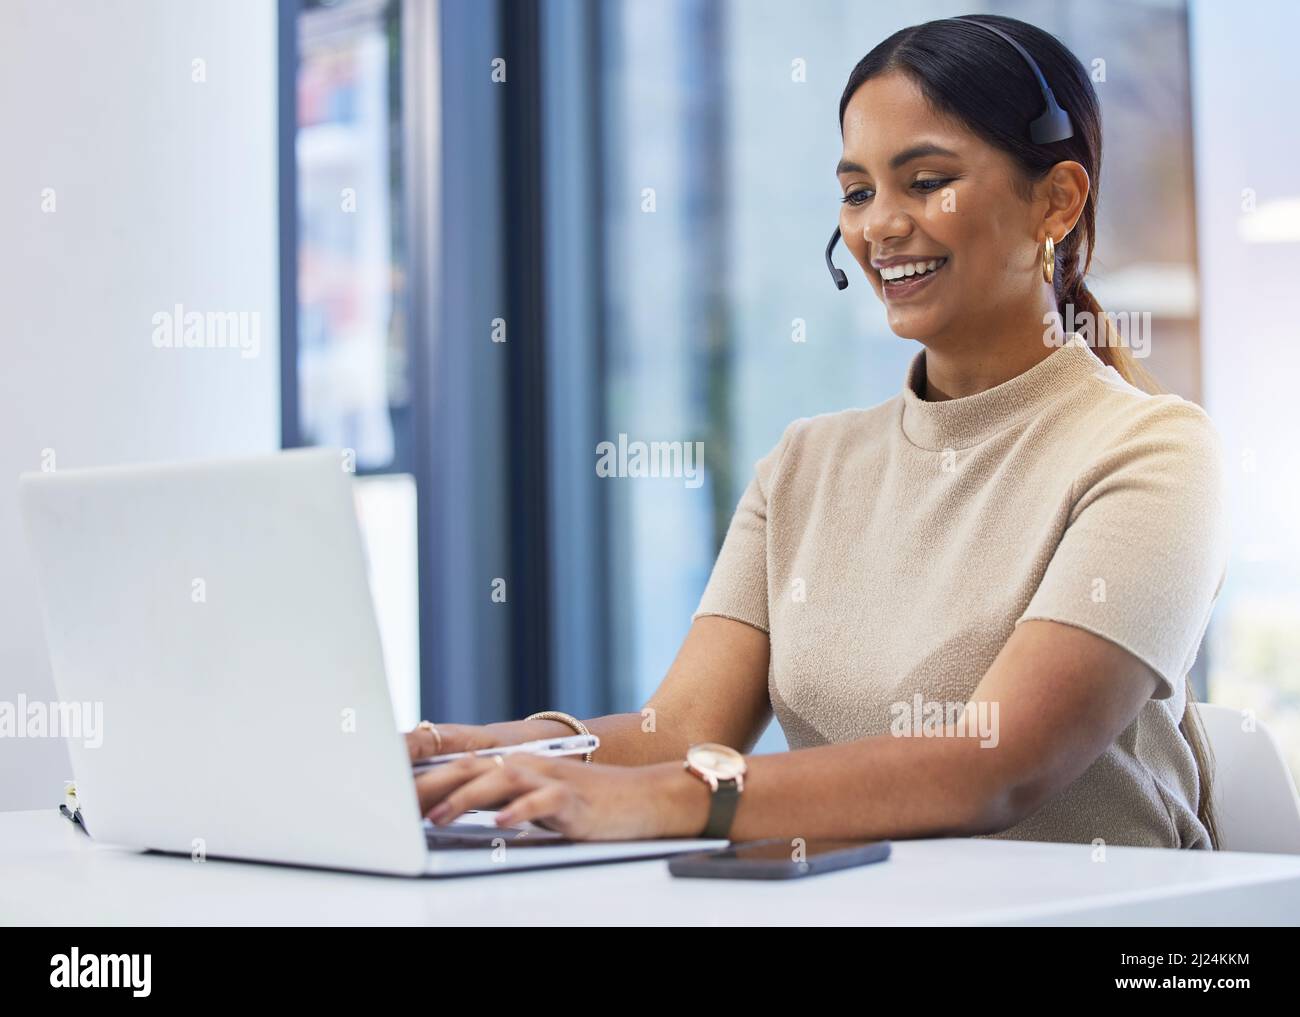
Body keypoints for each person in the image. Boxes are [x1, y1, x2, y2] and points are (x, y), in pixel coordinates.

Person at [408, 14, 1228, 850]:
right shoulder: (805, 464)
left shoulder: (1154, 453)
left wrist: (667, 802)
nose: (879, 227)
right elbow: (680, 729)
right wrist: (456, 755)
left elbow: (994, 765)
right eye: (859, 190)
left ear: (1056, 198)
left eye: (925, 180)